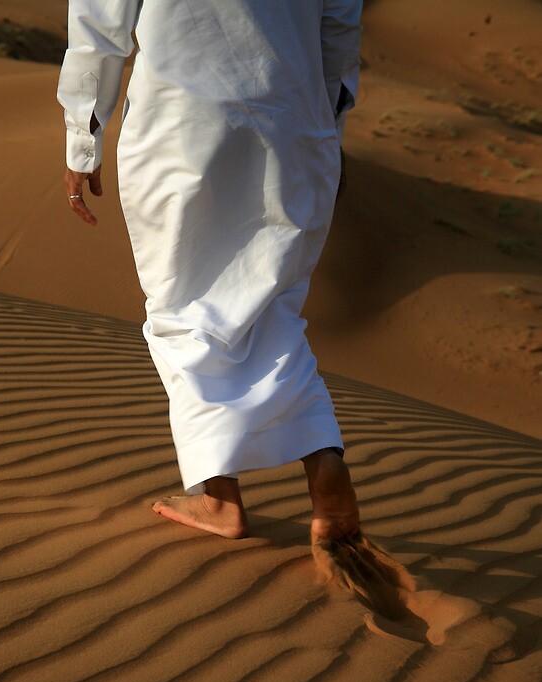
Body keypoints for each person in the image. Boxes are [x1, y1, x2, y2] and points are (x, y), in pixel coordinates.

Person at [58, 0, 362, 542]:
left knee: (183, 308)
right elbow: (339, 26)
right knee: (274, 306)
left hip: (182, 123)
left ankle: (220, 500)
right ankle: (322, 460)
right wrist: (329, 133)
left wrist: (84, 137)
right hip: (295, 122)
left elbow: (101, 25)